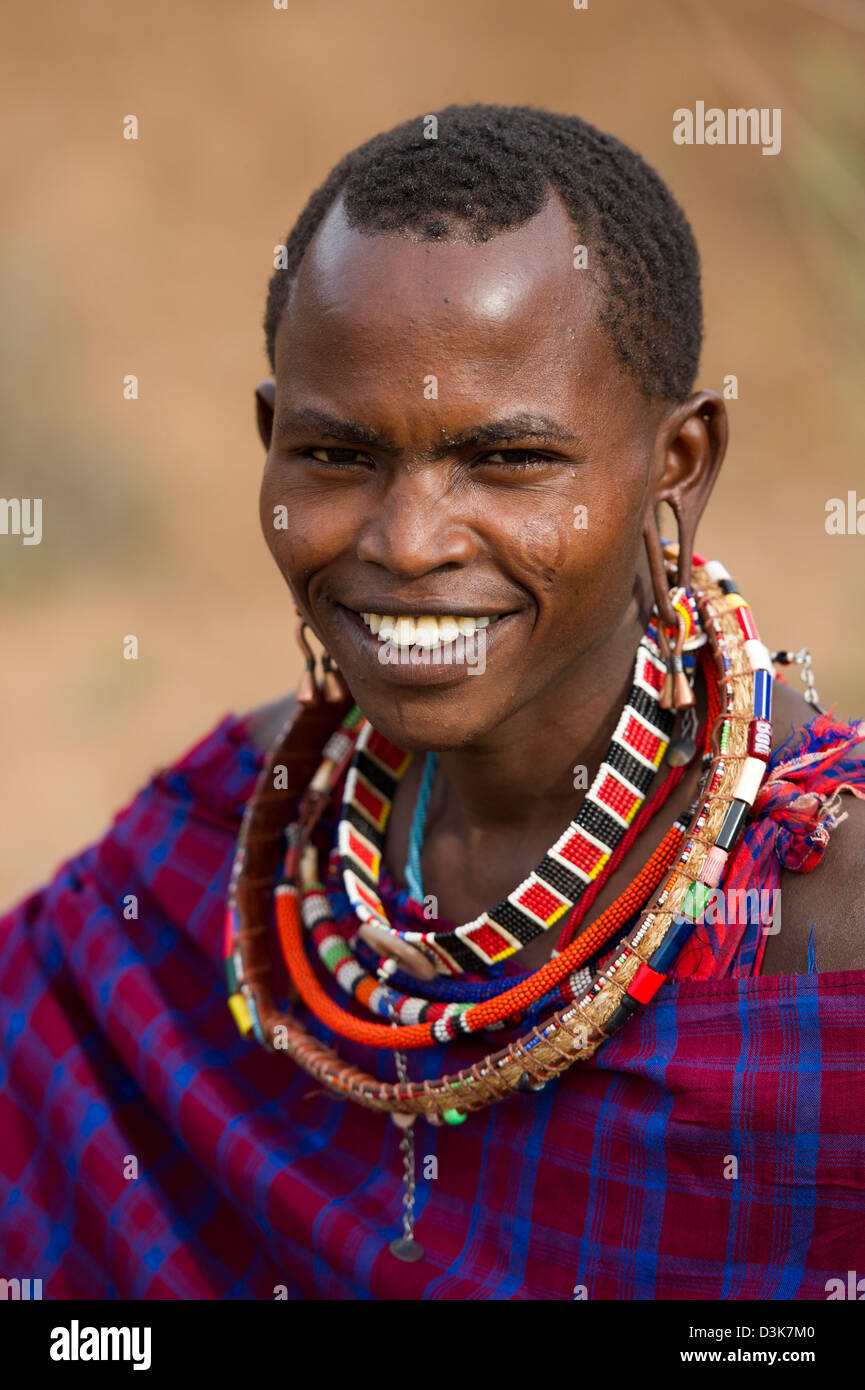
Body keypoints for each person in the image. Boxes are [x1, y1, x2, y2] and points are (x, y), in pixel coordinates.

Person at [2, 104, 864, 1301]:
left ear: (679, 464)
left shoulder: (828, 918)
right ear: (269, 440)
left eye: (508, 460)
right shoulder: (225, 838)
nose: (407, 545)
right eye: (337, 456)